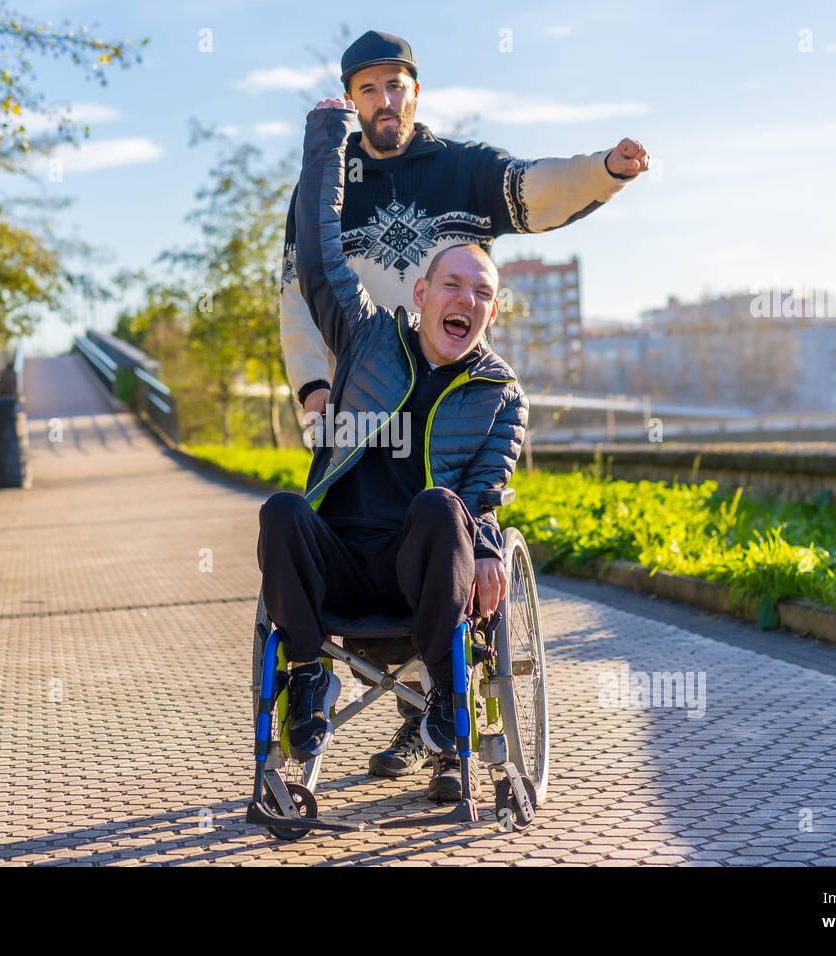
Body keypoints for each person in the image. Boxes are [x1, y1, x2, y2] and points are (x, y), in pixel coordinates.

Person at [277, 29, 648, 781]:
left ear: (417, 91)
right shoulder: (323, 187)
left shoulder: (460, 169)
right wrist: (314, 385)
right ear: (352, 100)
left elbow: (537, 187)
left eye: (398, 85)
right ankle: (323, 683)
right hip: (365, 387)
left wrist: (603, 171)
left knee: (443, 514)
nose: (386, 101)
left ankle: (442, 714)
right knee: (324, 513)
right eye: (370, 89)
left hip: (455, 400)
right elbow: (301, 286)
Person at [258, 95, 529, 801]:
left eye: (481, 291)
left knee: (444, 507)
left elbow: (483, 497)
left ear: (491, 312)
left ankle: (445, 694)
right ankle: (308, 676)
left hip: (427, 575)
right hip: (342, 561)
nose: (465, 299)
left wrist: (491, 547)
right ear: (421, 291)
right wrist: (326, 140)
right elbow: (318, 256)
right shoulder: (368, 337)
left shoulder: (502, 395)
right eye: (452, 284)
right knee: (283, 510)